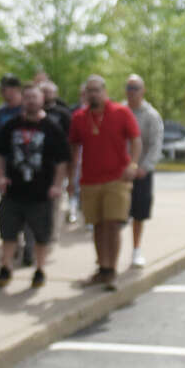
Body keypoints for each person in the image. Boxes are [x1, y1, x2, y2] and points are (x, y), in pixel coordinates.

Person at [0, 84, 68, 290]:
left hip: (41, 192)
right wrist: (0, 176)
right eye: (27, 97)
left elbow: (62, 160)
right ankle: (5, 267)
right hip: (13, 191)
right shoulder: (12, 125)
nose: (31, 101)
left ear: (42, 99)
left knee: (42, 234)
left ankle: (39, 270)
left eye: (34, 97)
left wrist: (57, 185)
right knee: (8, 232)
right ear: (22, 100)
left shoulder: (51, 127)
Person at [68, 75, 142, 290]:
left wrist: (133, 165)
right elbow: (73, 149)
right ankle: (102, 268)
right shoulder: (79, 118)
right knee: (98, 226)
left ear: (104, 91)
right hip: (90, 180)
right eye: (89, 91)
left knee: (113, 224)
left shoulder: (121, 112)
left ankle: (111, 270)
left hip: (117, 179)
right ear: (85, 94)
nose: (93, 94)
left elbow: (136, 139)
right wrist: (70, 180)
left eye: (96, 90)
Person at [124, 73, 163, 269]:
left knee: (138, 214)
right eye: (129, 88)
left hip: (140, 173)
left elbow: (156, 145)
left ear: (143, 90)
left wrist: (144, 168)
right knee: (115, 215)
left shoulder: (151, 115)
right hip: (120, 173)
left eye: (135, 88)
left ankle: (136, 250)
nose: (131, 92)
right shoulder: (120, 111)